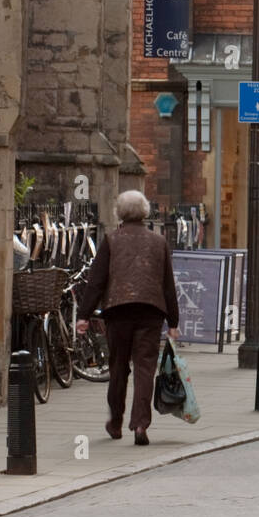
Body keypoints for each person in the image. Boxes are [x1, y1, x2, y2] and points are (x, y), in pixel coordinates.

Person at [77, 190, 181, 447]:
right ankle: (140, 424)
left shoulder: (111, 240)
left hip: (118, 311)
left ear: (120, 213)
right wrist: (174, 322)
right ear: (145, 212)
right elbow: (168, 285)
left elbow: (96, 281)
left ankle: (115, 421)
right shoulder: (159, 242)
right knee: (145, 369)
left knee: (118, 369)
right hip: (151, 312)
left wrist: (84, 315)